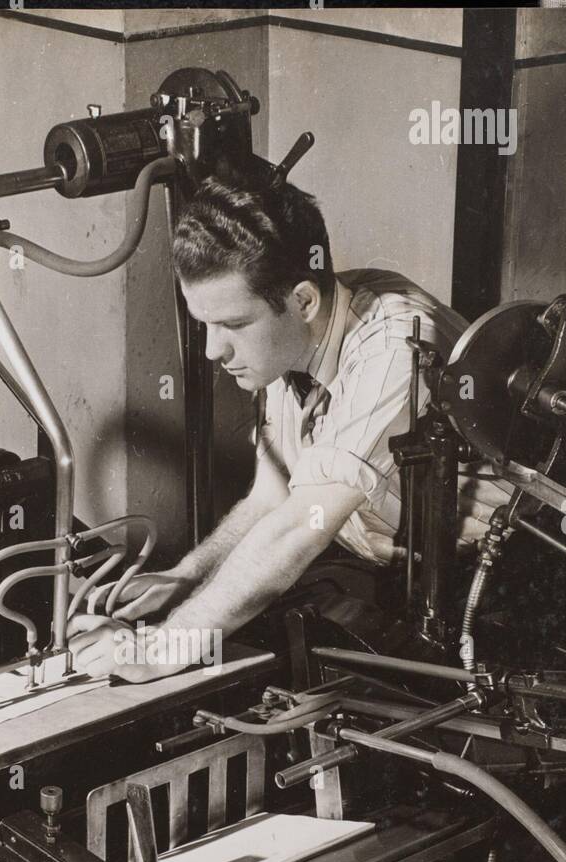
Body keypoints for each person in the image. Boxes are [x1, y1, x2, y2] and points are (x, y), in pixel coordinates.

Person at [68, 173, 510, 682]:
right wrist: (186, 577)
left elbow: (304, 522)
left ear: (302, 301)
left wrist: (168, 645)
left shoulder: (395, 345)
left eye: (233, 325)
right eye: (204, 324)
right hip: (381, 561)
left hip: (486, 584)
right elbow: (272, 497)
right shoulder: (293, 337)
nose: (214, 350)